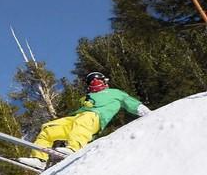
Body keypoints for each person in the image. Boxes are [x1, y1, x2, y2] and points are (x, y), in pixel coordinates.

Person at [18, 72, 150, 169]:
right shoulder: (87, 97)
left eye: (96, 80)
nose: (94, 83)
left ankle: (73, 148)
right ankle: (39, 159)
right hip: (77, 117)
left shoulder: (115, 93)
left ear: (104, 81)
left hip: (95, 117)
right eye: (91, 82)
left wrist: (148, 113)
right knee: (49, 128)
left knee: (84, 122)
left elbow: (131, 103)